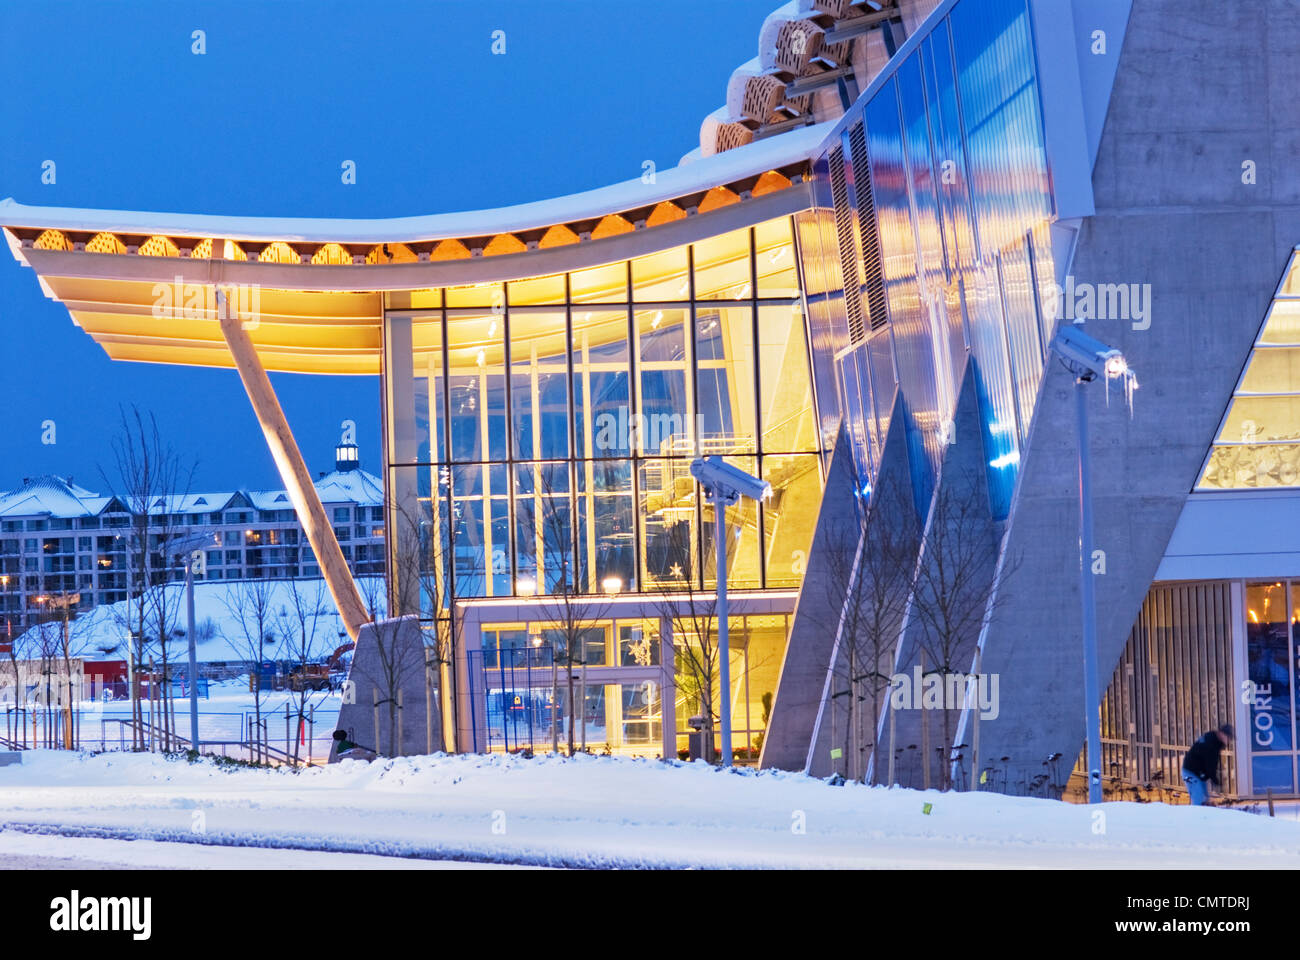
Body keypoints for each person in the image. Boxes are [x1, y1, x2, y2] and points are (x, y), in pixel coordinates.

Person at [1181, 724, 1234, 805]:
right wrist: (1216, 781)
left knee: (1205, 798)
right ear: (1222, 734)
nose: (1229, 740)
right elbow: (1210, 764)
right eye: (1229, 737)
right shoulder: (1210, 743)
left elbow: (1212, 763)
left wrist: (1215, 779)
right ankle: (1195, 816)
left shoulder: (1215, 741)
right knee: (1198, 798)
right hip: (1190, 772)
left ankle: (1203, 815)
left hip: (1199, 774)